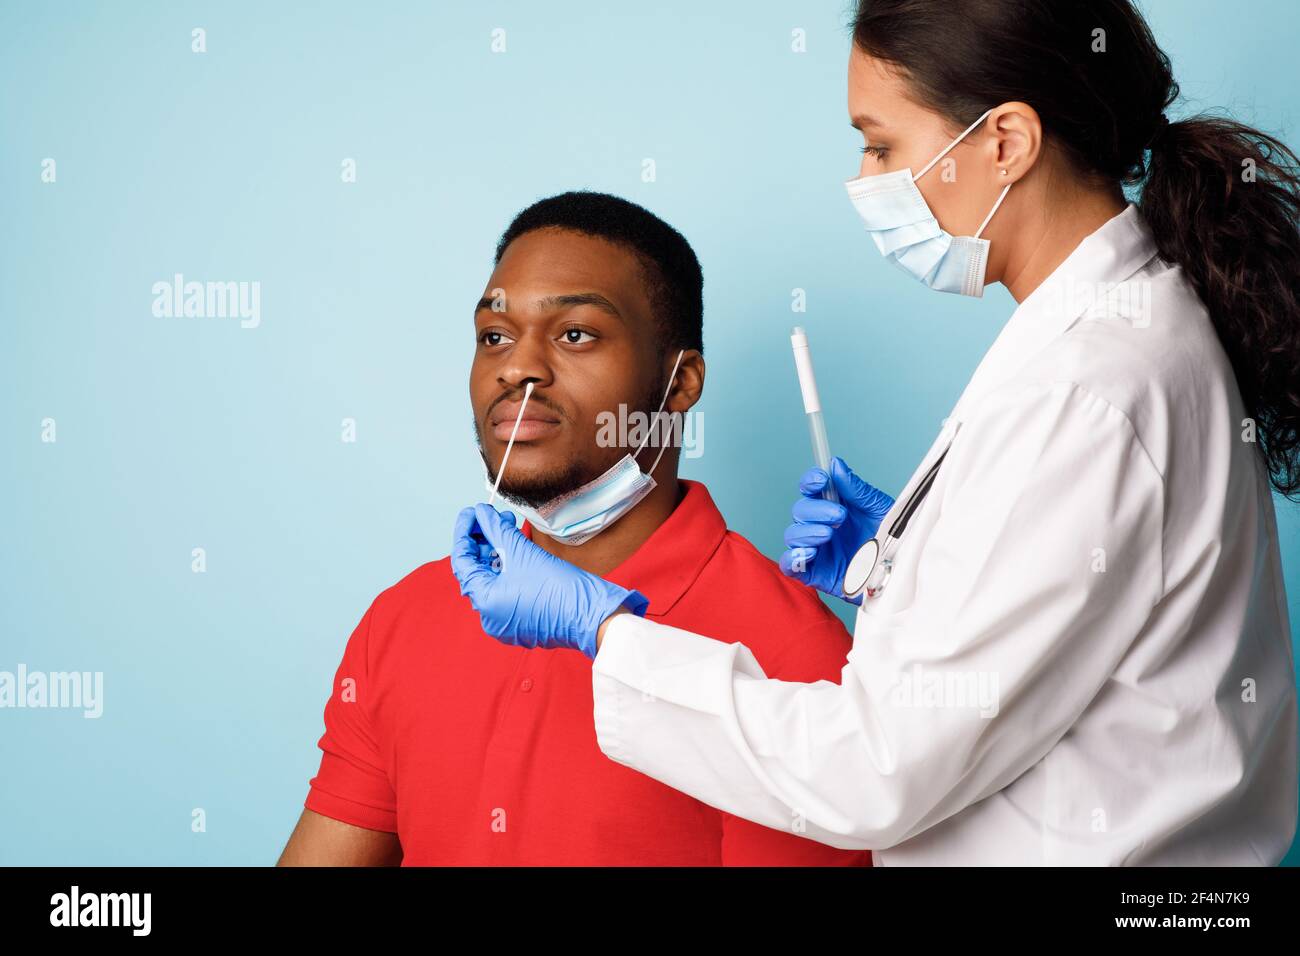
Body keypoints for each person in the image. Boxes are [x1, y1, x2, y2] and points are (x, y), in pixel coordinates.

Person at [451, 0, 1300, 864]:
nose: (866, 177)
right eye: (492, 334)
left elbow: (873, 773)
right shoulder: (1121, 333)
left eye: (882, 144)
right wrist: (913, 566)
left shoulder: (1088, 387)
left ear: (1005, 141)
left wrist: (604, 632)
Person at [279, 191, 870, 866]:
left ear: (680, 384)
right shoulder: (403, 620)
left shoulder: (794, 659)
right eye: (494, 336)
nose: (517, 367)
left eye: (575, 334)